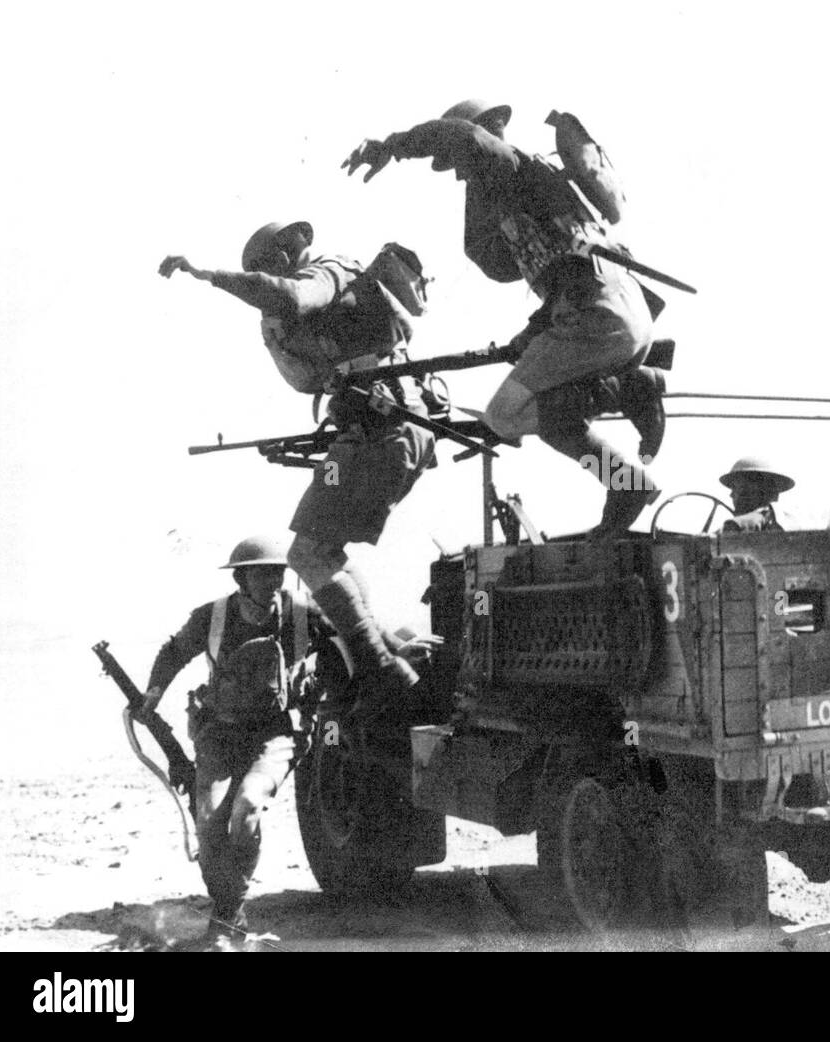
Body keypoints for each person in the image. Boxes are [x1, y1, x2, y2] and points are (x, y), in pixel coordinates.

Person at [341, 99, 669, 537]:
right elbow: (545, 273)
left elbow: (465, 139)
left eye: (459, 164)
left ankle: (630, 389)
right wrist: (530, 336)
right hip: (617, 313)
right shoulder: (530, 188)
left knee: (504, 416)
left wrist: (391, 147)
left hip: (596, 316)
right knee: (557, 422)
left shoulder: (511, 165)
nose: (459, 174)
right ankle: (626, 482)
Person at [159, 221, 434, 713]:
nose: (263, 277)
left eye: (265, 266)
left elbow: (291, 298)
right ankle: (384, 652)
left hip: (383, 431)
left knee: (308, 554)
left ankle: (381, 666)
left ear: (288, 252)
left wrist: (208, 276)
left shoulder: (325, 274)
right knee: (318, 548)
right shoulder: (334, 285)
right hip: (369, 434)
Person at [140, 535, 329, 950]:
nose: (273, 580)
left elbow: (343, 643)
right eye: (263, 573)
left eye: (278, 572)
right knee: (209, 821)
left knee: (245, 810)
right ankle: (228, 910)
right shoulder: (213, 617)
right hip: (219, 734)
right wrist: (153, 693)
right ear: (242, 578)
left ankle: (230, 914)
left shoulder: (301, 614)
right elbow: (174, 652)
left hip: (276, 734)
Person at [719, 458, 795, 532]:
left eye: (735, 488)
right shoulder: (789, 523)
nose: (731, 495)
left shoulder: (736, 525)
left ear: (750, 491)